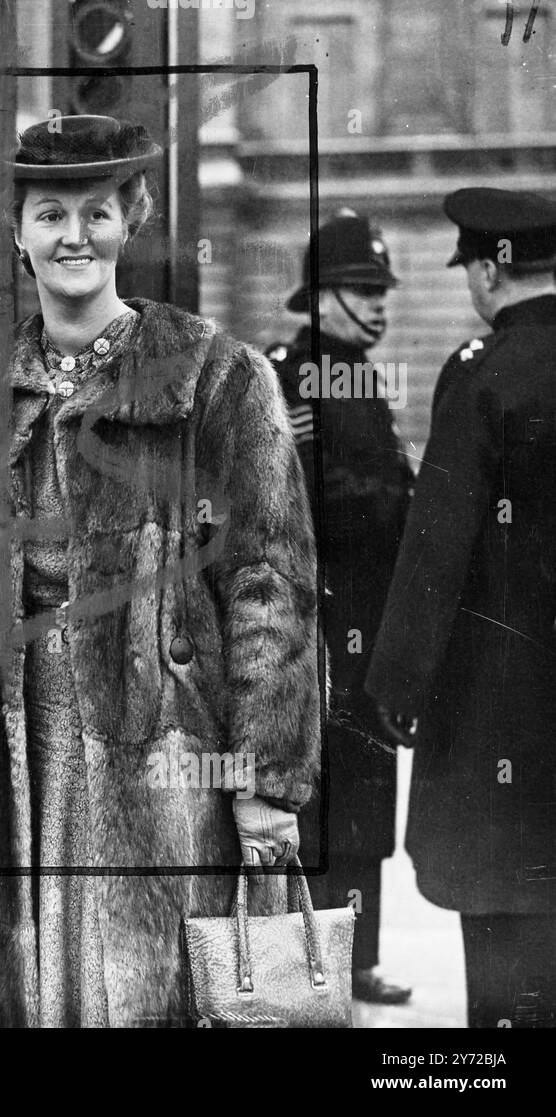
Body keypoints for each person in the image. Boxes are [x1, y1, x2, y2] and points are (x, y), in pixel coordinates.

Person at [0, 115, 321, 1027]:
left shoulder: (217, 377)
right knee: (42, 987)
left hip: (172, 759)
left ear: (133, 217)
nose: (73, 237)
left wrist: (263, 784)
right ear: (17, 232)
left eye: (97, 212)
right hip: (28, 752)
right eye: (49, 213)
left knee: (157, 993)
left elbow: (270, 583)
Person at [367, 187, 556, 1029]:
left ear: (489, 271)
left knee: (505, 939)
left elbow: (434, 548)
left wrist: (399, 681)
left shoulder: (482, 375)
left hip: (498, 710)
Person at [265, 210, 414, 1006]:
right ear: (320, 296)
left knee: (365, 796)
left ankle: (357, 958)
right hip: (320, 621)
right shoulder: (299, 372)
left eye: (383, 289)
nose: (380, 303)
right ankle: (314, 960)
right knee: (320, 805)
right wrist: (408, 501)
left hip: (367, 622)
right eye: (362, 289)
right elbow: (313, 494)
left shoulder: (356, 372)